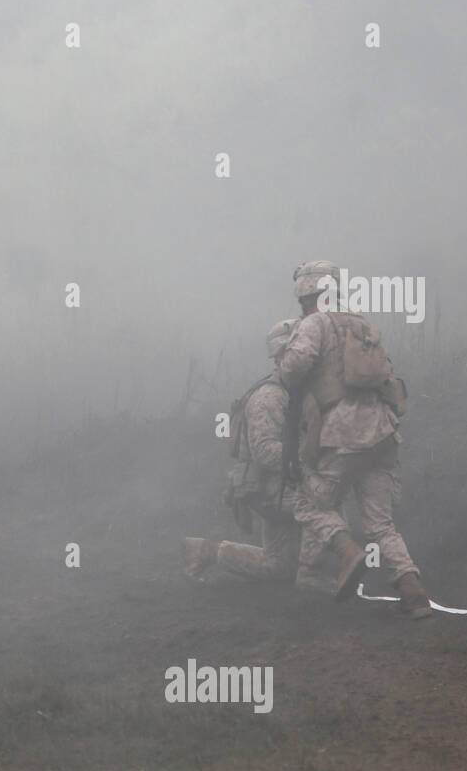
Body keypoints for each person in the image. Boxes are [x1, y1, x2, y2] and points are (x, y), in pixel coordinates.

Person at [276, 260, 431, 618]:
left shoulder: (315, 323)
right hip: (380, 435)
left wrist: (286, 359)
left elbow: (294, 366)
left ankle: (348, 553)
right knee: (380, 523)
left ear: (307, 294)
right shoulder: (361, 323)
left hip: (340, 435)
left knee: (309, 505)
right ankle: (413, 591)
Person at [184, 319, 326, 584]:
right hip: (268, 488)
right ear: (284, 357)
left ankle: (206, 551)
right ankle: (314, 580)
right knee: (323, 503)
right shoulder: (269, 397)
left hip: (282, 484)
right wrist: (309, 461)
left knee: (277, 568)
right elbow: (264, 451)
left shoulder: (294, 392)